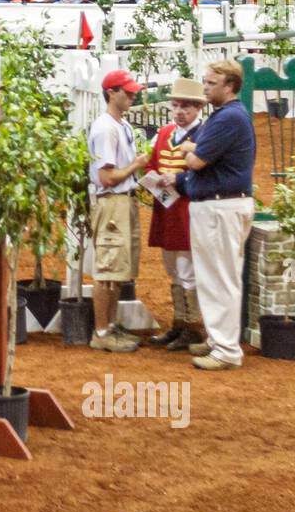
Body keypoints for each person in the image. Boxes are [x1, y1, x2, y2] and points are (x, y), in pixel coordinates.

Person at [172, 60, 256, 371]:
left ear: (230, 86)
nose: (205, 87)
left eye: (211, 83)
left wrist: (187, 152)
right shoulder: (229, 116)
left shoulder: (228, 118)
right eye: (205, 81)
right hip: (222, 203)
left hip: (220, 206)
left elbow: (197, 162)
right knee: (221, 277)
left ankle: (226, 349)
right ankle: (220, 340)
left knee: (218, 279)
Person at [142, 78, 208, 352]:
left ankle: (194, 328)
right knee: (172, 268)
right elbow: (154, 163)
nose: (180, 111)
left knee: (187, 270)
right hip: (166, 207)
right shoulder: (165, 132)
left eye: (187, 107)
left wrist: (177, 178)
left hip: (189, 209)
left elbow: (204, 171)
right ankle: (179, 323)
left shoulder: (203, 135)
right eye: (176, 105)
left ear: (198, 109)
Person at [87, 69, 151, 352]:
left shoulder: (120, 125)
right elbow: (106, 177)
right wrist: (137, 165)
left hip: (122, 200)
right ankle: (101, 331)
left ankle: (109, 326)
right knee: (109, 267)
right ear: (111, 93)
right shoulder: (106, 128)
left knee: (117, 267)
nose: (132, 96)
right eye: (127, 92)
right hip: (112, 199)